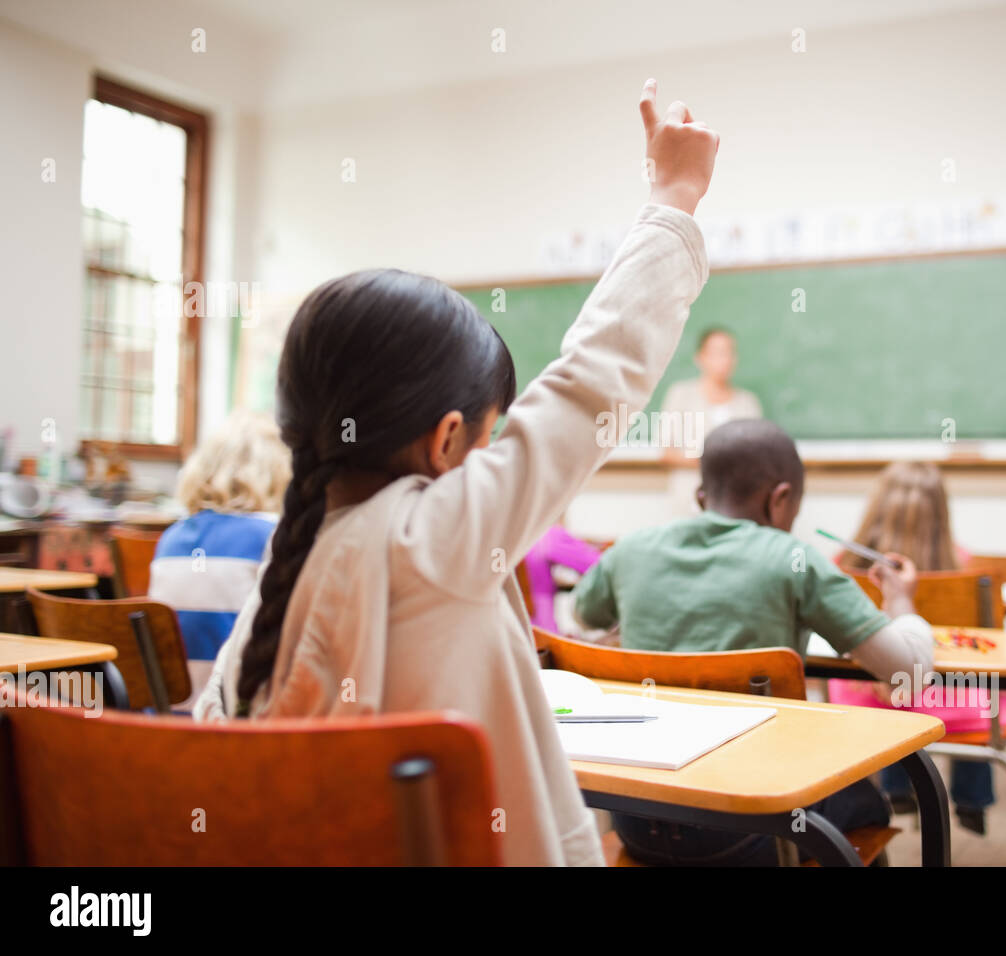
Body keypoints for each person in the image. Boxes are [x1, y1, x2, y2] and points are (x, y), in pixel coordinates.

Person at [193, 79, 720, 867]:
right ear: (446, 442)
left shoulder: (291, 551)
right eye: (489, 437)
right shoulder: (436, 535)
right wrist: (674, 195)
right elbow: (592, 380)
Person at [573, 419, 933, 864]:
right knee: (868, 801)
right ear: (780, 500)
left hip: (636, 823)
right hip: (758, 828)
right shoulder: (794, 561)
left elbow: (583, 616)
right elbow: (910, 674)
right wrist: (900, 600)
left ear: (701, 497)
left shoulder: (630, 551)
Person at [834, 460, 995, 835]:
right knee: (975, 689)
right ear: (940, 512)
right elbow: (977, 650)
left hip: (860, 700)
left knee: (893, 689)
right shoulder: (963, 569)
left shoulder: (842, 566)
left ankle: (898, 785)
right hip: (944, 703)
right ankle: (972, 800)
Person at [148, 409, 290, 704]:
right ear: (280, 471)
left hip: (165, 720)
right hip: (233, 722)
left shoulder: (170, 538)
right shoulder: (274, 537)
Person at [660, 328, 762, 514]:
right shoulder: (681, 395)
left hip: (736, 499)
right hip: (688, 497)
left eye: (729, 352)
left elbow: (756, 455)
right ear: (700, 357)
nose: (724, 359)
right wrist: (710, 462)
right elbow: (667, 453)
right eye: (717, 353)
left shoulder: (748, 403)